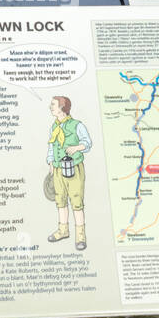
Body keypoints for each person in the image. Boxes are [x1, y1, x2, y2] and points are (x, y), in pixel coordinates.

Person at [45, 95, 92, 251]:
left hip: (74, 168)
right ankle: (63, 231)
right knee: (60, 201)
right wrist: (51, 162)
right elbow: (52, 146)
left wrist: (76, 148)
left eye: (53, 105)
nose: (51, 107)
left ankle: (80, 237)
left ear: (62, 108)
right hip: (58, 169)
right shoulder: (54, 127)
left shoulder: (77, 125)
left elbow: (87, 143)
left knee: (76, 202)